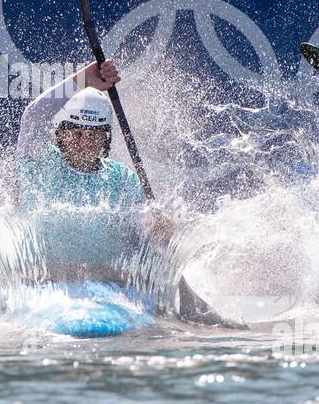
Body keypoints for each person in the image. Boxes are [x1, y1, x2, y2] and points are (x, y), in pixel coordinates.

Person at [17, 59, 216, 321]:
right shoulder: (40, 167)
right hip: (44, 289)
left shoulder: (122, 179)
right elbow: (32, 117)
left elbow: (143, 227)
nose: (84, 142)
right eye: (76, 133)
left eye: (93, 134)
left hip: (109, 293)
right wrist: (82, 79)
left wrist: (161, 230)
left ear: (106, 137)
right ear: (60, 134)